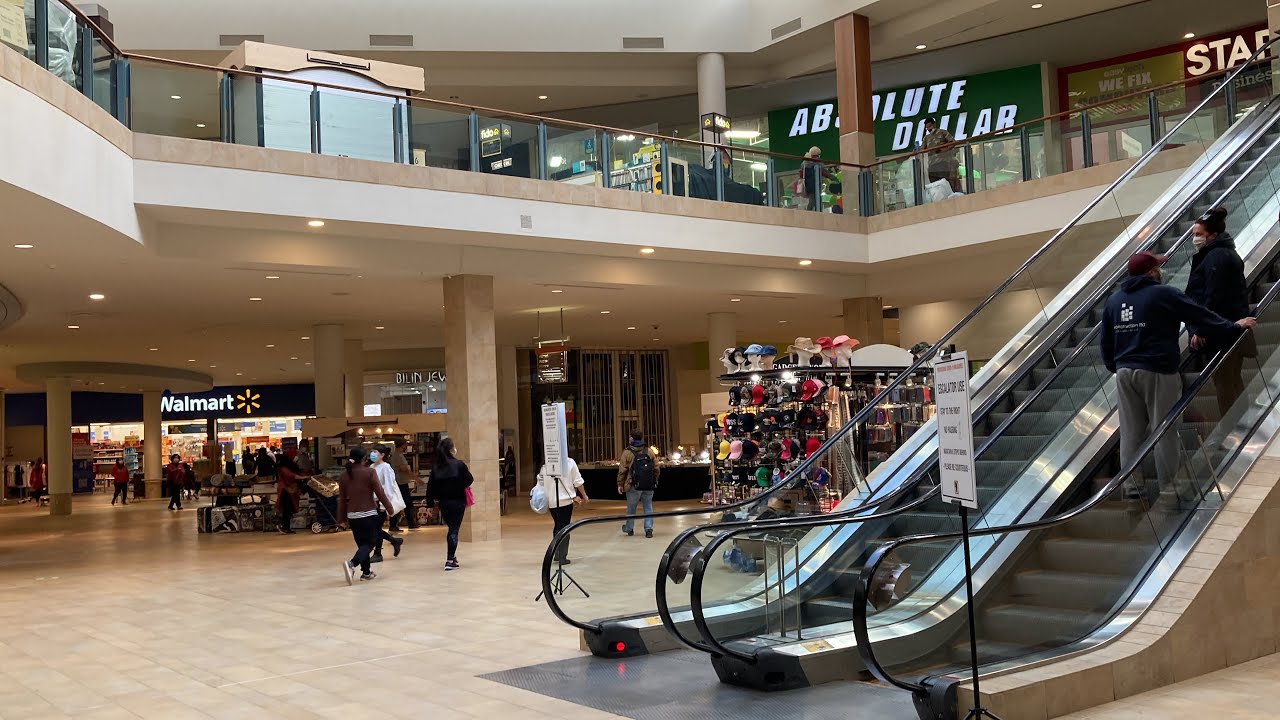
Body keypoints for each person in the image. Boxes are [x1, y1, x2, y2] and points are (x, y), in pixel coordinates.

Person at [1102, 251, 1257, 502]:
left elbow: (1106, 345)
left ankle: (1132, 489)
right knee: (1165, 429)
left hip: (1124, 372)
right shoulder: (1164, 294)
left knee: (1130, 432)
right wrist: (1233, 326)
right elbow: (1200, 316)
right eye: (1157, 267)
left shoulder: (1114, 301)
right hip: (1157, 370)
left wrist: (1118, 366)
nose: (1160, 271)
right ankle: (1169, 489)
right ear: (1152, 272)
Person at [1186, 207, 1252, 417]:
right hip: (1226, 328)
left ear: (1212, 235)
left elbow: (1214, 297)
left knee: (1225, 383)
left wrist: (1202, 328)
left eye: (1199, 235)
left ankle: (1234, 430)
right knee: (1231, 380)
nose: (1195, 239)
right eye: (1194, 234)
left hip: (1222, 331)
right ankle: (1242, 424)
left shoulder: (1216, 257)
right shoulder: (1219, 254)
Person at [338, 447, 396, 584]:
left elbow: (341, 500)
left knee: (362, 545)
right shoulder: (370, 472)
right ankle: (352, 564)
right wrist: (390, 508)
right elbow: (380, 493)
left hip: (352, 515)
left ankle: (366, 572)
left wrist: (341, 519)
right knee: (369, 544)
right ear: (364, 459)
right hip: (369, 513)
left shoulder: (344, 475)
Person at [424, 438, 474, 571]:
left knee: (451, 528)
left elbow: (430, 487)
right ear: (451, 449)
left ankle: (452, 556)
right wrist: (459, 486)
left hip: (443, 503)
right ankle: (450, 559)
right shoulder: (459, 465)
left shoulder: (436, 467)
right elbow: (469, 479)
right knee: (454, 530)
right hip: (458, 501)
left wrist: (429, 504)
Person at [538, 454, 588, 564]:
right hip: (565, 501)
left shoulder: (547, 464)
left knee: (557, 525)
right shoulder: (569, 462)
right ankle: (562, 556)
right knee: (565, 528)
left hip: (552, 501)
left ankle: (556, 553)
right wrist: (584, 495)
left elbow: (540, 481)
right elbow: (578, 481)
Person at [618, 429, 660, 538]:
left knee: (631, 508)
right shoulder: (649, 451)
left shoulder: (627, 452)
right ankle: (648, 529)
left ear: (632, 438)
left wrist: (620, 484)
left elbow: (622, 470)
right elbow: (656, 467)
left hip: (633, 485)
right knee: (648, 506)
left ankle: (629, 528)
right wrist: (654, 479)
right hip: (648, 484)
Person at [369, 446, 404, 561]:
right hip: (373, 502)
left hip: (381, 502)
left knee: (375, 527)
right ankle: (394, 541)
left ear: (382, 454)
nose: (372, 454)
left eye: (375, 451)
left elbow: (389, 486)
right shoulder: (372, 467)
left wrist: (385, 504)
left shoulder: (386, 467)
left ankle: (378, 552)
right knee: (375, 528)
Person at [921, 118, 959, 193]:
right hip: (932, 165)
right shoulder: (926, 138)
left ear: (934, 124)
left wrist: (944, 150)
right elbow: (922, 149)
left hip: (943, 163)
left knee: (945, 183)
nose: (929, 129)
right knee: (935, 186)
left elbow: (953, 142)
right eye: (927, 127)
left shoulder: (942, 132)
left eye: (930, 126)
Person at [389, 439, 417, 531]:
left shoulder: (397, 455)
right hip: (400, 483)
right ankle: (399, 524)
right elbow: (404, 469)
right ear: (402, 445)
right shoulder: (398, 456)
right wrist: (416, 478)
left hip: (400, 482)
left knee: (404, 503)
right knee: (405, 503)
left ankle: (408, 523)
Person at [275, 456, 302, 535]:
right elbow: (291, 475)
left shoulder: (281, 468)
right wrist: (304, 477)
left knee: (287, 510)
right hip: (286, 491)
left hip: (286, 490)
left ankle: (286, 527)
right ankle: (285, 527)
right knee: (287, 510)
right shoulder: (283, 468)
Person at [800, 147, 832, 211]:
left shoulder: (804, 163)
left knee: (814, 200)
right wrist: (832, 177)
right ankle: (810, 213)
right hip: (814, 185)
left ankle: (813, 212)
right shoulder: (817, 163)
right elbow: (824, 171)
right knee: (815, 200)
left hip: (807, 185)